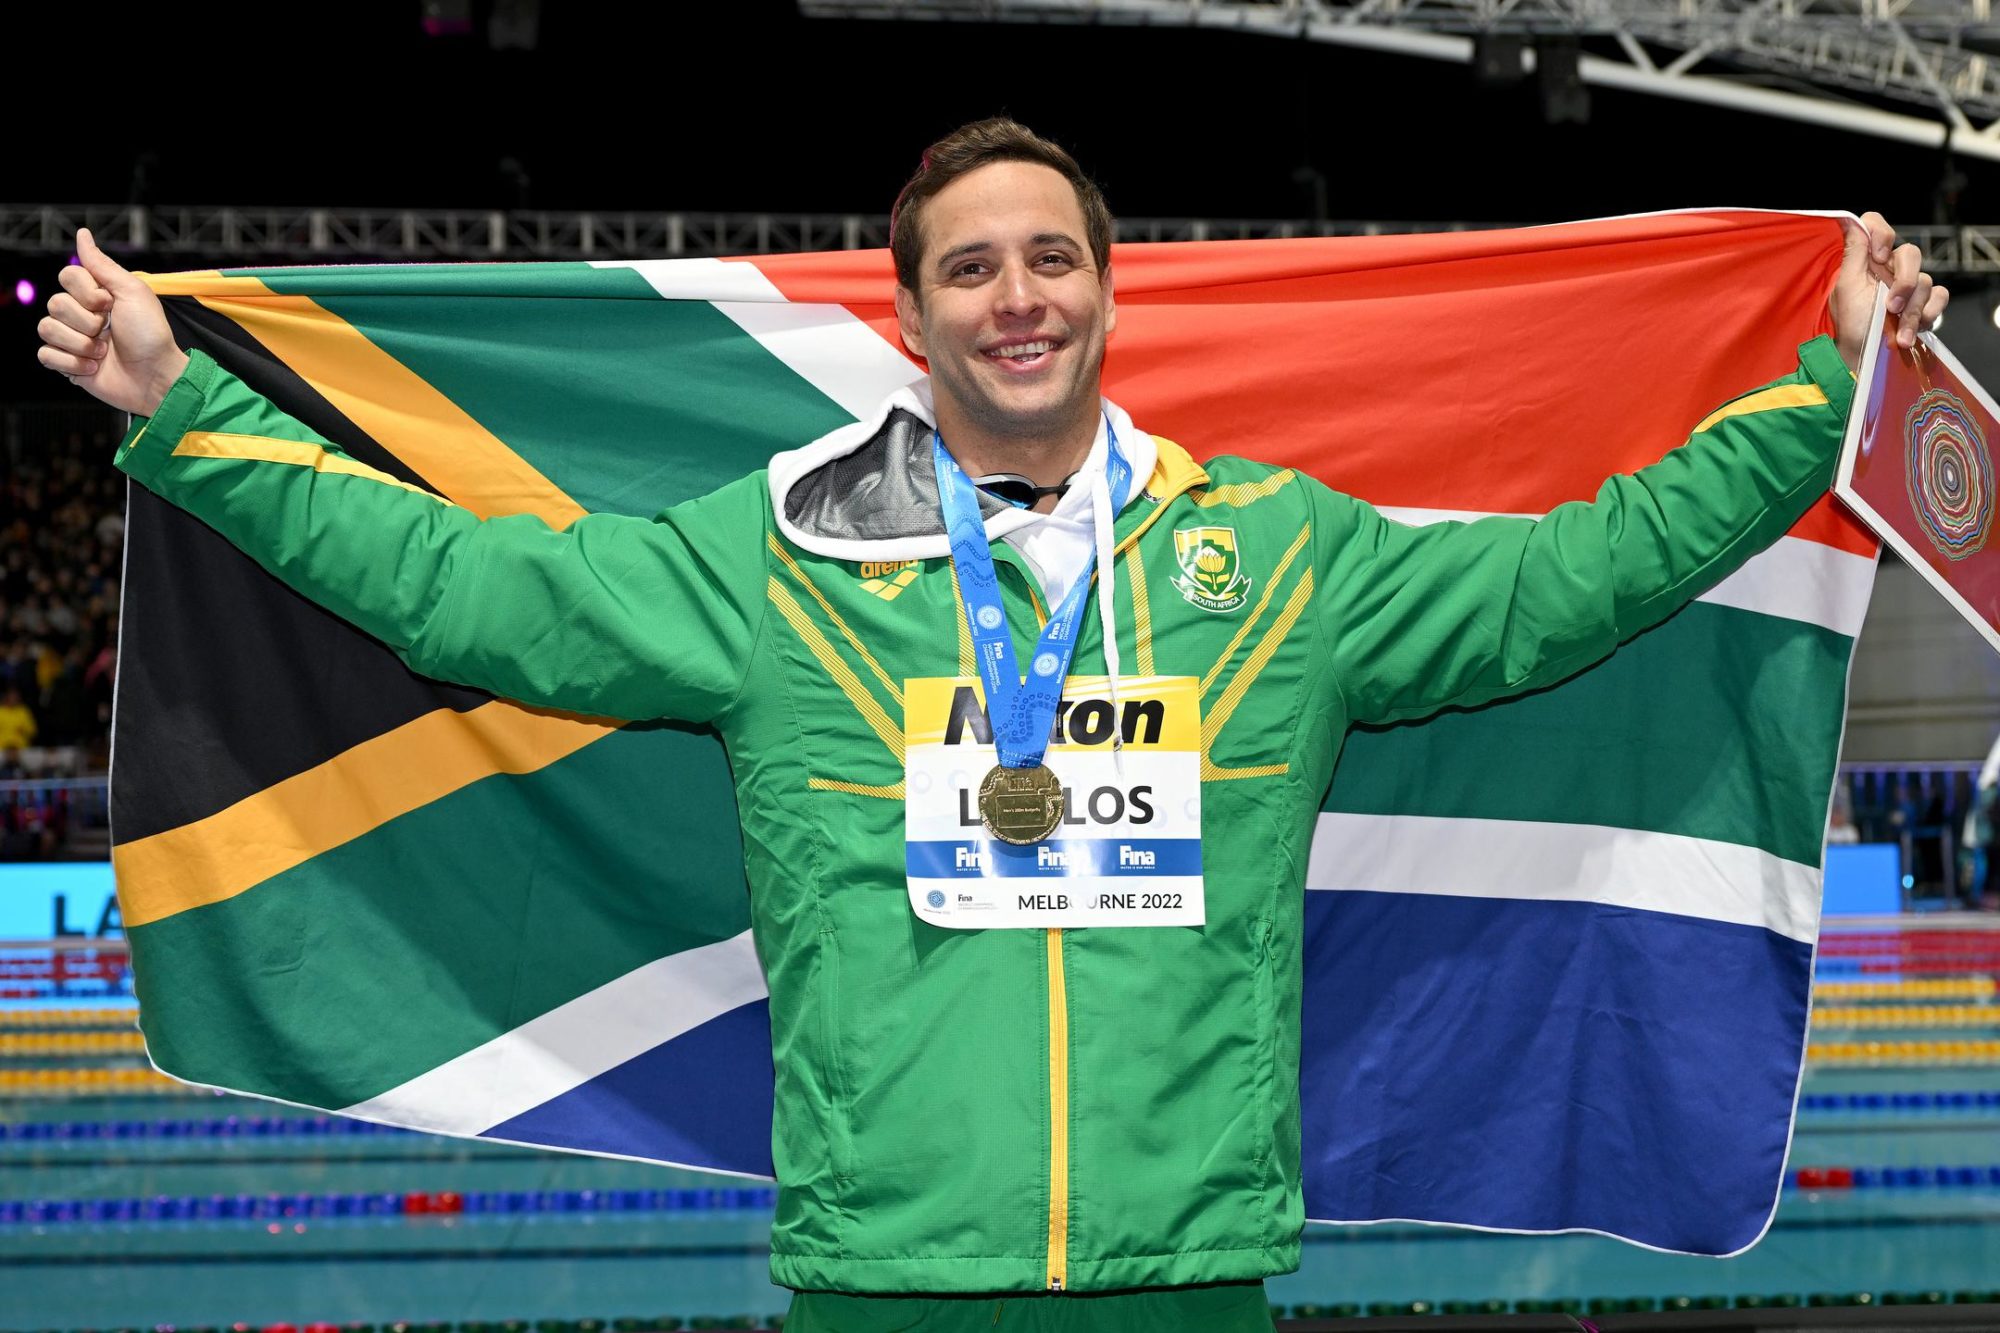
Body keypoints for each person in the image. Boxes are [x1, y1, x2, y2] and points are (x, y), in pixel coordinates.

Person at [36, 119, 1946, 1331]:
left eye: (1051, 258)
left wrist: (1821, 389)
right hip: (886, 1276)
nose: (1017, 296)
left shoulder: (1273, 557)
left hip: (1191, 1274)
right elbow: (474, 592)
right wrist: (186, 410)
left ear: (1107, 294)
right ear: (915, 308)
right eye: (972, 264)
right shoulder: (773, 561)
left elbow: (1572, 581)